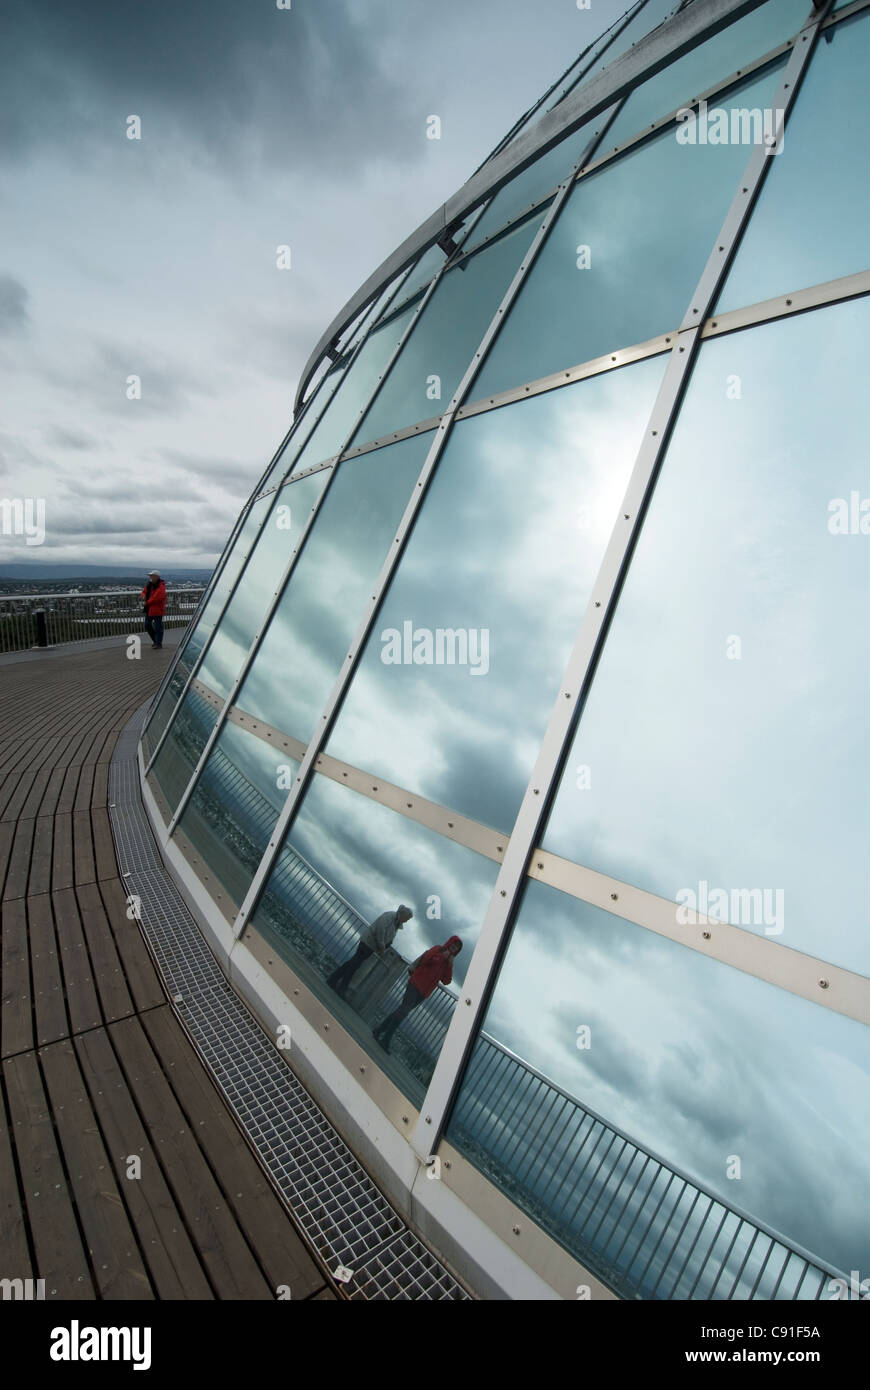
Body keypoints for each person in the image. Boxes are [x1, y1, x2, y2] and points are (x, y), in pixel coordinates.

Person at [373, 935, 462, 1053]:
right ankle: (386, 1038)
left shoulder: (448, 964)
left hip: (424, 993)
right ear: (449, 942)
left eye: (457, 947)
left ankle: (378, 1030)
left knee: (402, 1011)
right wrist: (441, 957)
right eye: (454, 944)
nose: (454, 948)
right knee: (403, 1012)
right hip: (415, 984)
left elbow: (446, 981)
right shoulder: (438, 949)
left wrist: (450, 965)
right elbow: (426, 960)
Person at [327, 905, 413, 998]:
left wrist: (385, 944)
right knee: (354, 965)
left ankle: (333, 980)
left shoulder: (396, 923)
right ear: (403, 914)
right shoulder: (390, 916)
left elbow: (388, 934)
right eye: (407, 918)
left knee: (353, 963)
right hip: (368, 942)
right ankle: (341, 987)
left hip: (371, 945)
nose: (407, 921)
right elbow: (380, 929)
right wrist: (382, 944)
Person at [142, 570, 166, 649]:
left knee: (158, 627)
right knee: (147, 624)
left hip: (157, 609)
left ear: (157, 576)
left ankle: (158, 643)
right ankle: (156, 641)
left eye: (152, 576)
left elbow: (157, 598)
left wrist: (147, 602)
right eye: (150, 576)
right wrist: (144, 595)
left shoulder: (161, 586)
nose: (150, 577)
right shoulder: (149, 585)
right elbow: (144, 592)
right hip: (149, 609)